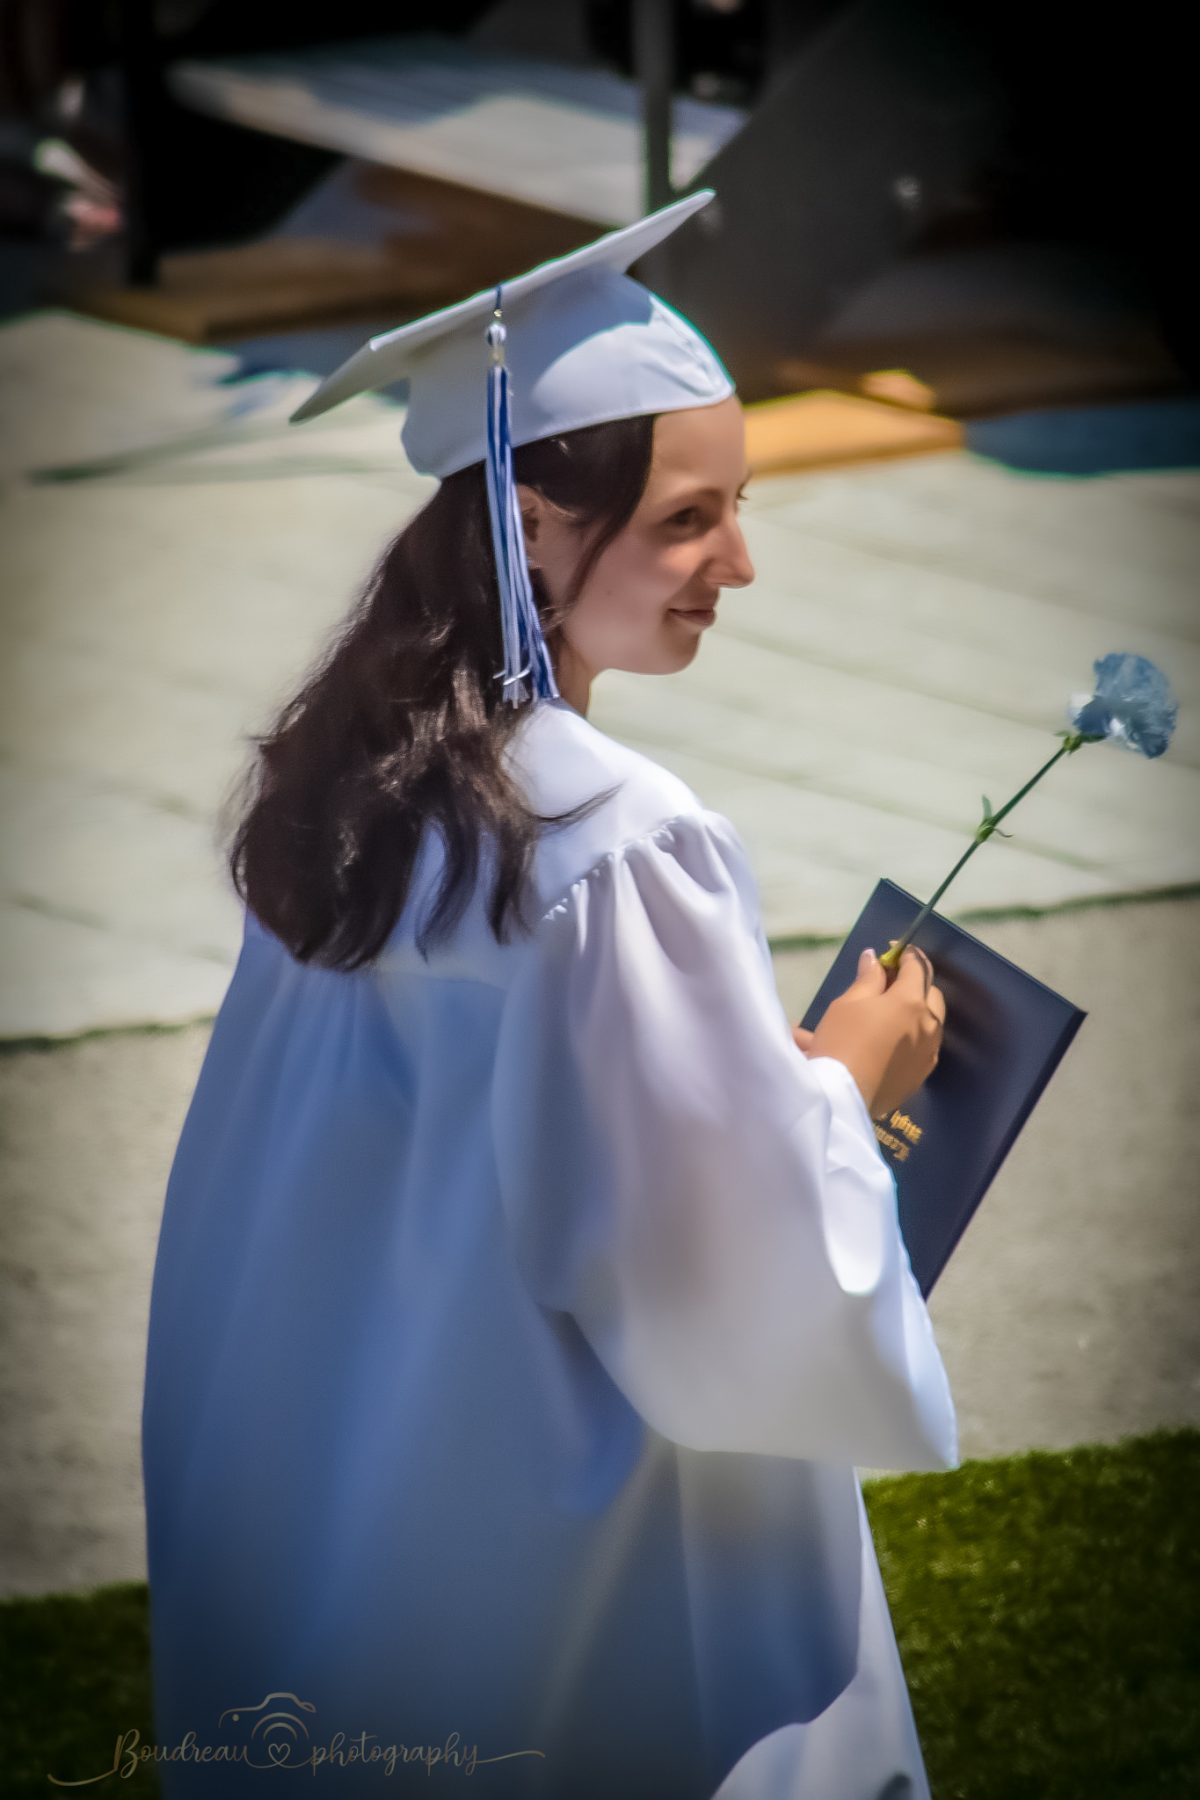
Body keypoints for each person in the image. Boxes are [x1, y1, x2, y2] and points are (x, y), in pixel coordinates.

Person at [140, 189, 956, 1799]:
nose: (740, 562)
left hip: (356, 1495)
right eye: (686, 521)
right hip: (591, 1587)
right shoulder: (617, 841)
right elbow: (723, 1301)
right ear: (529, 523)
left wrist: (741, 1085)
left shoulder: (346, 788)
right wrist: (842, 1087)